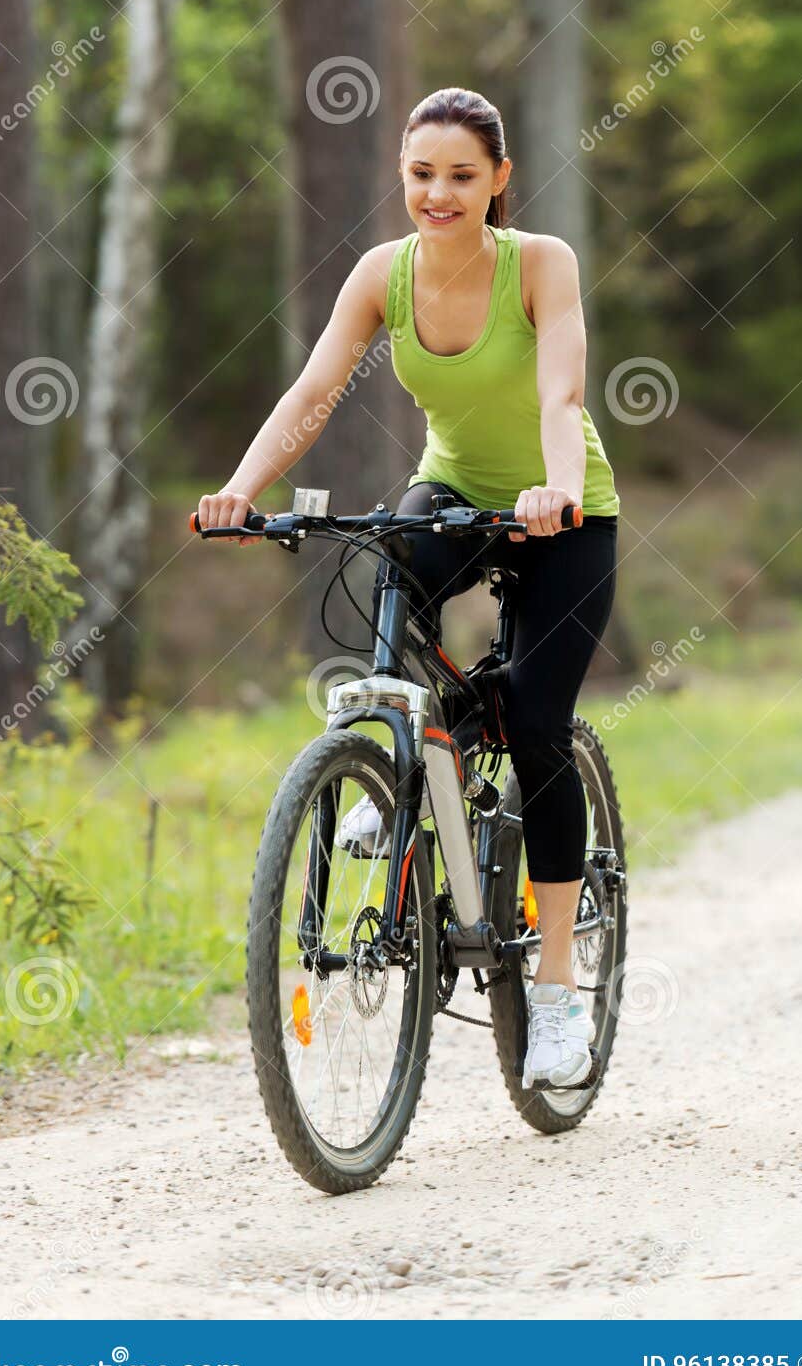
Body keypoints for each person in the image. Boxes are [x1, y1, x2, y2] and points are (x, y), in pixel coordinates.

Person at [198, 85, 620, 1090]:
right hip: (457, 490)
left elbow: (561, 392)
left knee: (536, 723)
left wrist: (556, 491)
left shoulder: (540, 265)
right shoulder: (383, 275)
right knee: (389, 559)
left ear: (500, 181)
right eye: (421, 175)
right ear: (403, 177)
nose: (438, 193)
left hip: (566, 513)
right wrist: (239, 490)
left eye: (461, 176)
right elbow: (312, 393)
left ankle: (555, 991)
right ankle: (395, 775)